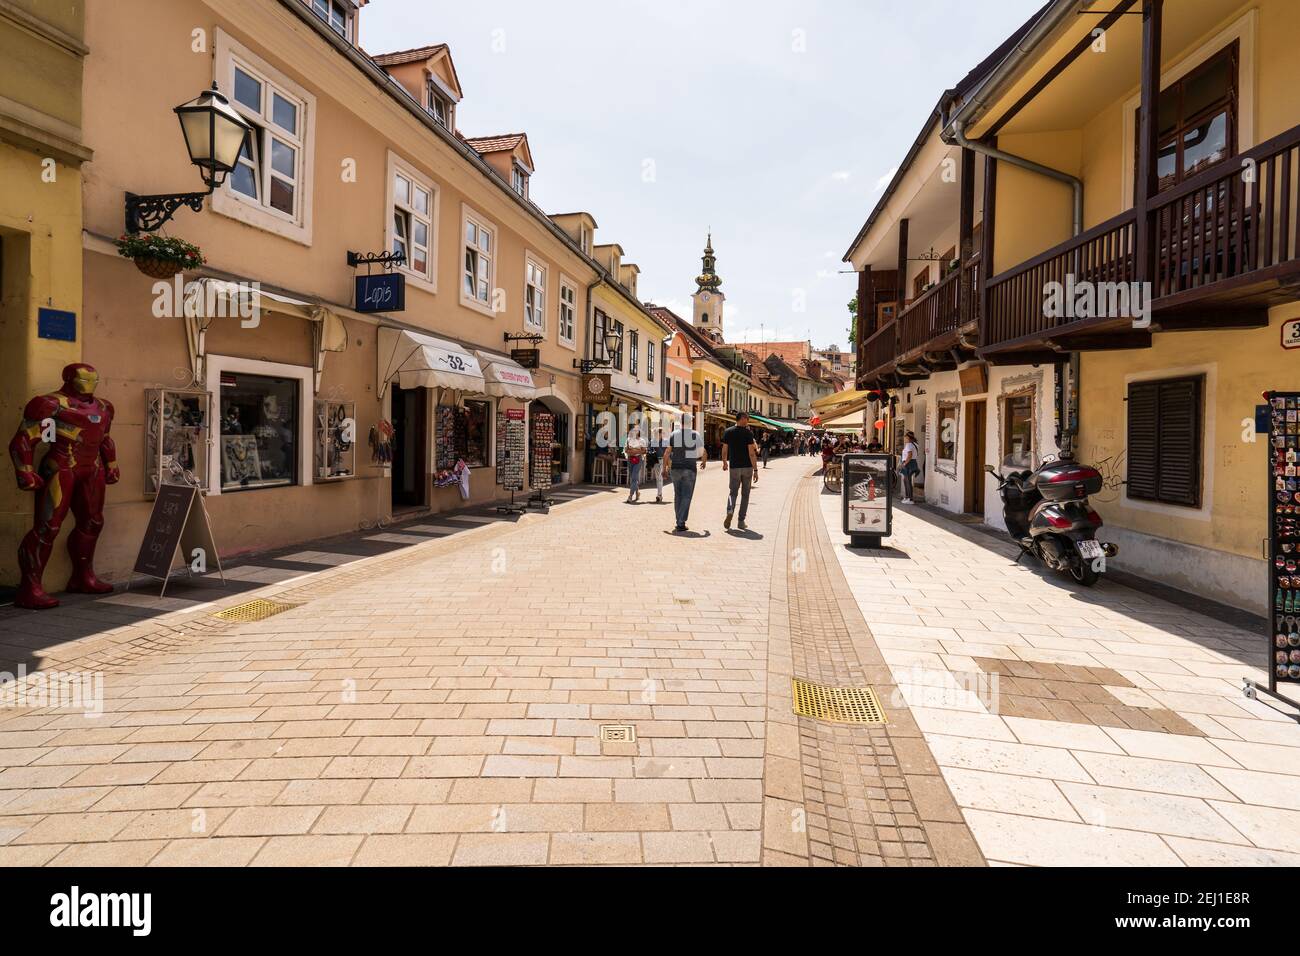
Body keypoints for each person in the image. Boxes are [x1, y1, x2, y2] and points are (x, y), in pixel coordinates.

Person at [665, 420, 707, 532]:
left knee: (677, 495)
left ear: (681, 423)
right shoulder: (695, 434)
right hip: (689, 468)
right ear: (691, 423)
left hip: (675, 468)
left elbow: (667, 452)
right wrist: (704, 461)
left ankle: (679, 520)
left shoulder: (674, 434)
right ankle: (680, 522)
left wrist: (664, 467)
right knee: (686, 496)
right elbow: (703, 451)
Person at [721, 412, 759, 531]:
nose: (747, 420)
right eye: (747, 418)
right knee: (745, 495)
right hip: (747, 467)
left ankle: (730, 510)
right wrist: (756, 469)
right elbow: (752, 453)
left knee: (733, 492)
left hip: (734, 467)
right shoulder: (748, 433)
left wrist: (724, 462)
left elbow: (724, 449)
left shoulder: (728, 432)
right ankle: (741, 521)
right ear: (742, 419)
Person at [624, 424, 647, 503]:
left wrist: (634, 451)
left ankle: (630, 496)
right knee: (633, 477)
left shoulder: (642, 441)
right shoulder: (628, 440)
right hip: (630, 459)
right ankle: (637, 492)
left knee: (634, 477)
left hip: (638, 459)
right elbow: (626, 450)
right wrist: (634, 450)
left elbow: (644, 451)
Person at [900, 430, 920, 504]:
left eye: (905, 437)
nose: (905, 439)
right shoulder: (915, 444)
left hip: (908, 463)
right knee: (906, 480)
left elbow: (910, 455)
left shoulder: (909, 445)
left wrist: (904, 463)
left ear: (908, 437)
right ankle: (907, 497)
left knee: (907, 481)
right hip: (912, 463)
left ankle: (910, 498)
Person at [647, 426, 667, 503]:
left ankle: (659, 495)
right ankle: (660, 494)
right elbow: (648, 450)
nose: (658, 434)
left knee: (660, 477)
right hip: (655, 461)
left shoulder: (665, 442)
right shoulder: (652, 441)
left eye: (659, 433)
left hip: (662, 460)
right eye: (656, 433)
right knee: (658, 478)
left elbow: (666, 453)